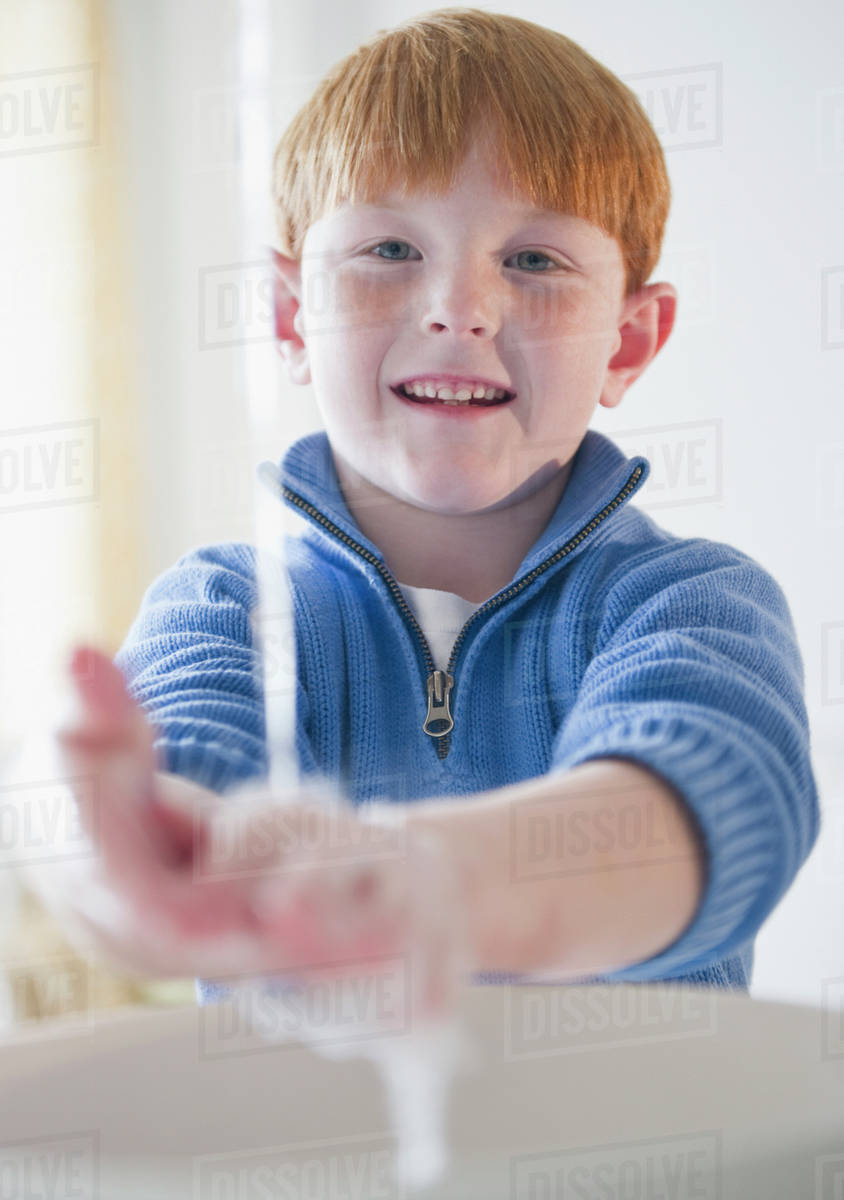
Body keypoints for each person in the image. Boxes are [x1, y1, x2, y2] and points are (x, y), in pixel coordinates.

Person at [52, 8, 818, 1006]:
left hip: (656, 1155)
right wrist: (143, 862)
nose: (459, 305)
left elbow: (700, 813)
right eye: (388, 249)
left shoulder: (693, 601)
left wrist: (389, 887)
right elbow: (176, 807)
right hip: (325, 1158)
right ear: (292, 317)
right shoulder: (219, 607)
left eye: (534, 261)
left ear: (627, 344)